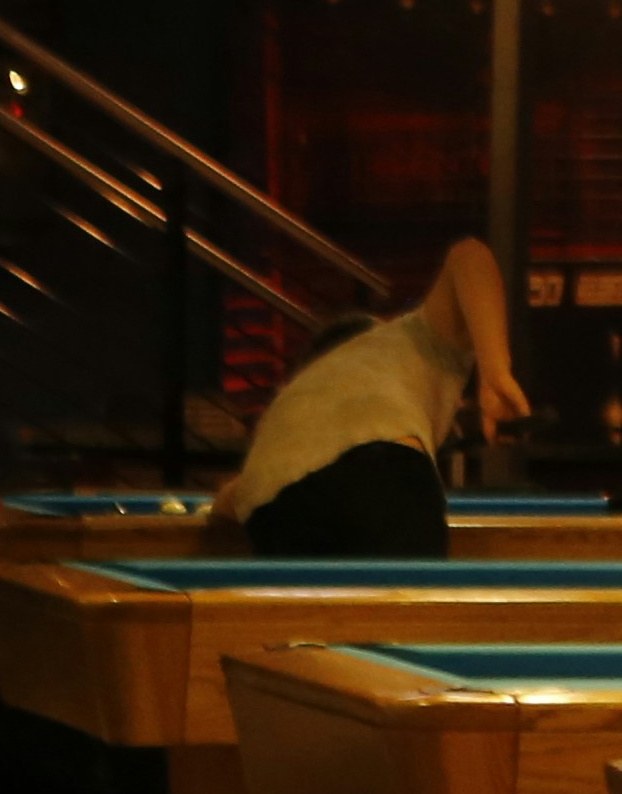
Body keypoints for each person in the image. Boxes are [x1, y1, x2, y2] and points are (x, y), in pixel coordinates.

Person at [210, 239, 529, 558]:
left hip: (277, 509)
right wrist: (496, 373)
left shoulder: (295, 399)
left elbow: (233, 499)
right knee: (410, 607)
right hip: (381, 474)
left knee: (315, 611)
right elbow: (469, 256)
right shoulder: (399, 340)